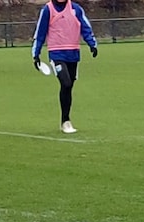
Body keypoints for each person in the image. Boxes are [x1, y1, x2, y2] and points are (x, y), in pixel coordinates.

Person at [31, 0, 98, 134]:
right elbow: (40, 33)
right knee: (66, 83)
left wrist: (92, 44)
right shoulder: (48, 9)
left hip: (73, 53)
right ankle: (65, 121)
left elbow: (85, 27)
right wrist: (36, 53)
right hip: (56, 54)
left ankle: (65, 121)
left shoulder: (76, 9)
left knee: (69, 86)